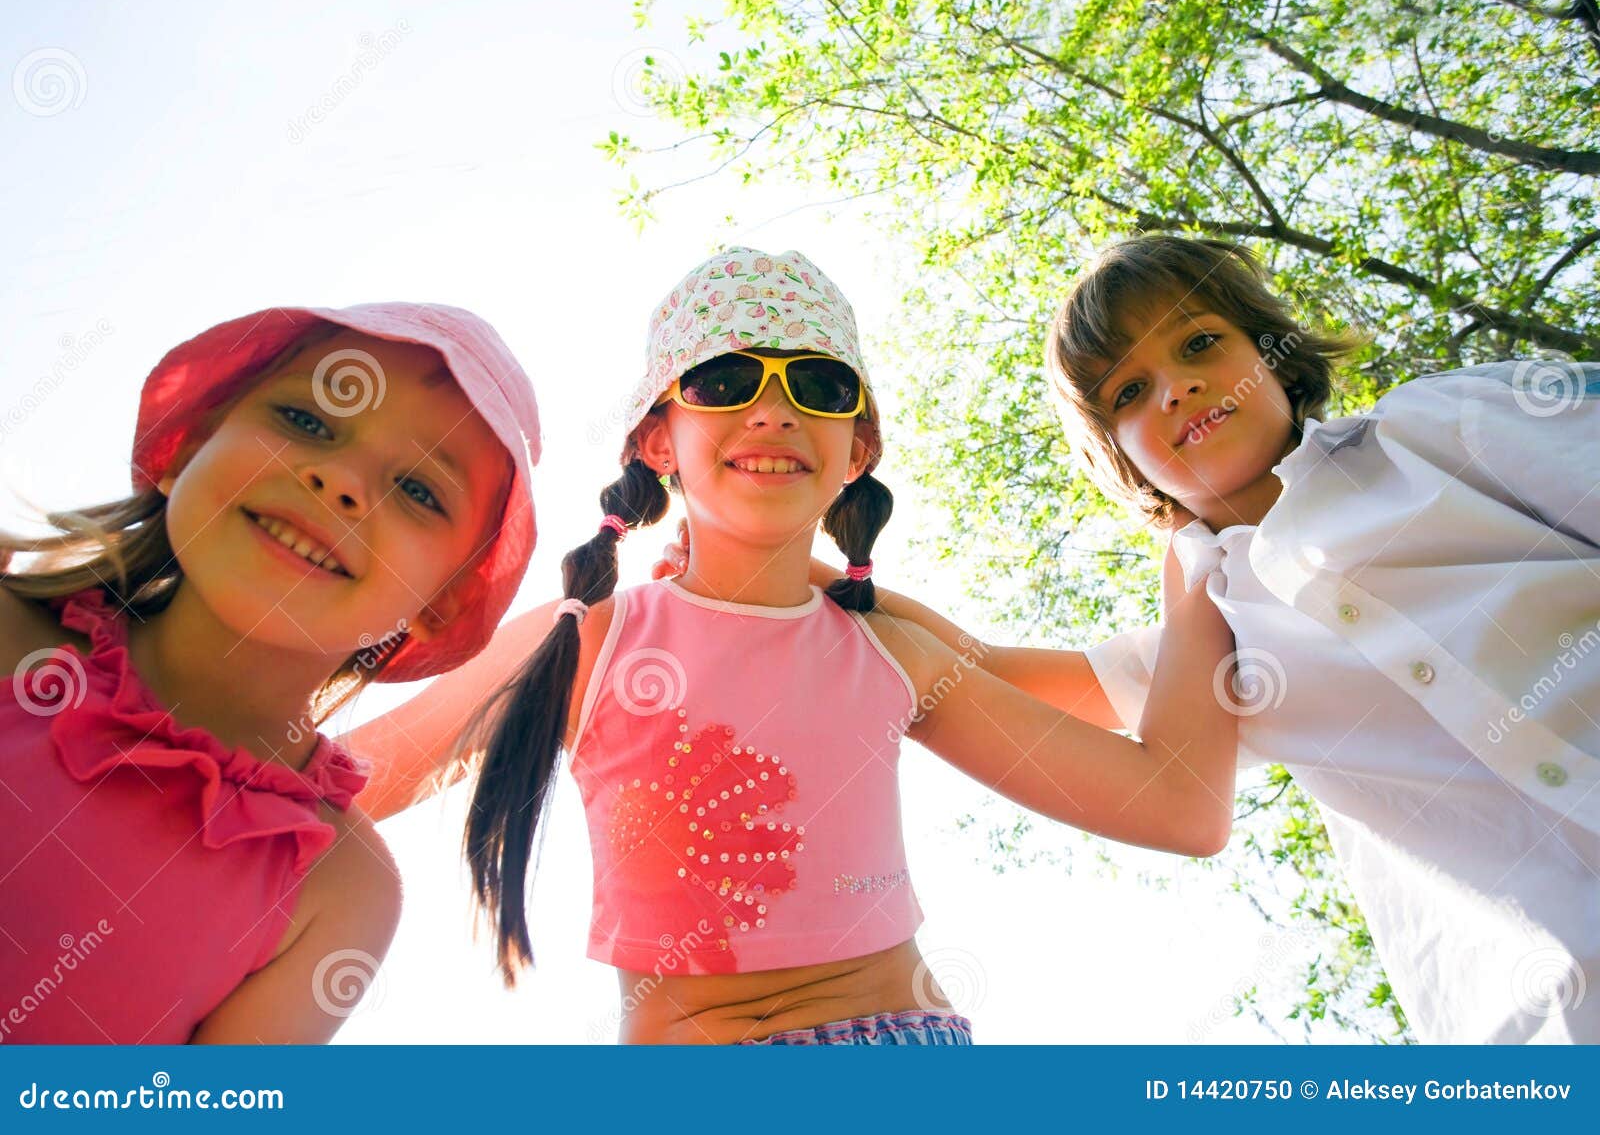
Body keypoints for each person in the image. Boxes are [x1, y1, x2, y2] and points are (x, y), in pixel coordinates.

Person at [662, 235, 1596, 1043]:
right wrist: (820, 583)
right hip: (1550, 1010)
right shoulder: (1217, 628)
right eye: (1130, 391)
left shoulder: (1435, 430)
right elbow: (991, 673)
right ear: (1119, 454)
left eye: (1201, 342)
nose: (1179, 386)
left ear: (1274, 355)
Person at [347, 248, 1238, 1045]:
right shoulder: (591, 637)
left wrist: (1201, 546)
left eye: (817, 386)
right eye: (727, 380)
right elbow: (334, 784)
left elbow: (1176, 806)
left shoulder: (894, 656)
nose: (773, 413)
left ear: (856, 448)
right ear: (659, 438)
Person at [0, 303, 540, 1043]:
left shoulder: (340, 891)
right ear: (190, 445)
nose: (340, 480)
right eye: (307, 421)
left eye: (417, 489)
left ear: (443, 601)